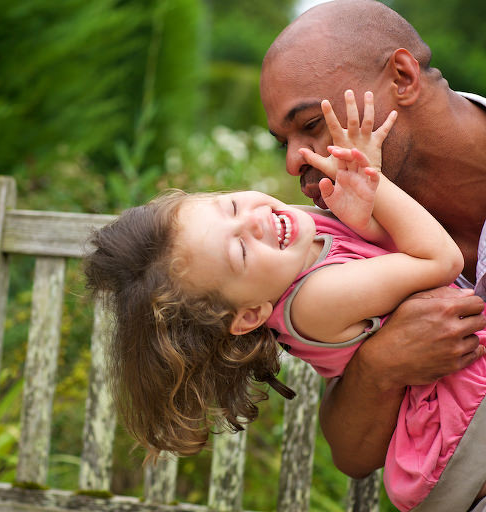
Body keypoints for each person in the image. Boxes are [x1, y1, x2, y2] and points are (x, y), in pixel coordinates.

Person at [85, 90, 486, 511]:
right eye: (239, 251)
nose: (254, 221)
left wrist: (362, 212)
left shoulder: (294, 241)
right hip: (464, 440)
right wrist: (376, 181)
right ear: (250, 315)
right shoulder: (315, 299)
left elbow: (391, 254)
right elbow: (439, 260)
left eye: (231, 206)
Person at [259, 1, 486, 509]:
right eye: (283, 142)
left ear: (402, 77)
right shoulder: (342, 244)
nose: (295, 158)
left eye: (312, 123)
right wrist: (381, 364)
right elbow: (352, 453)